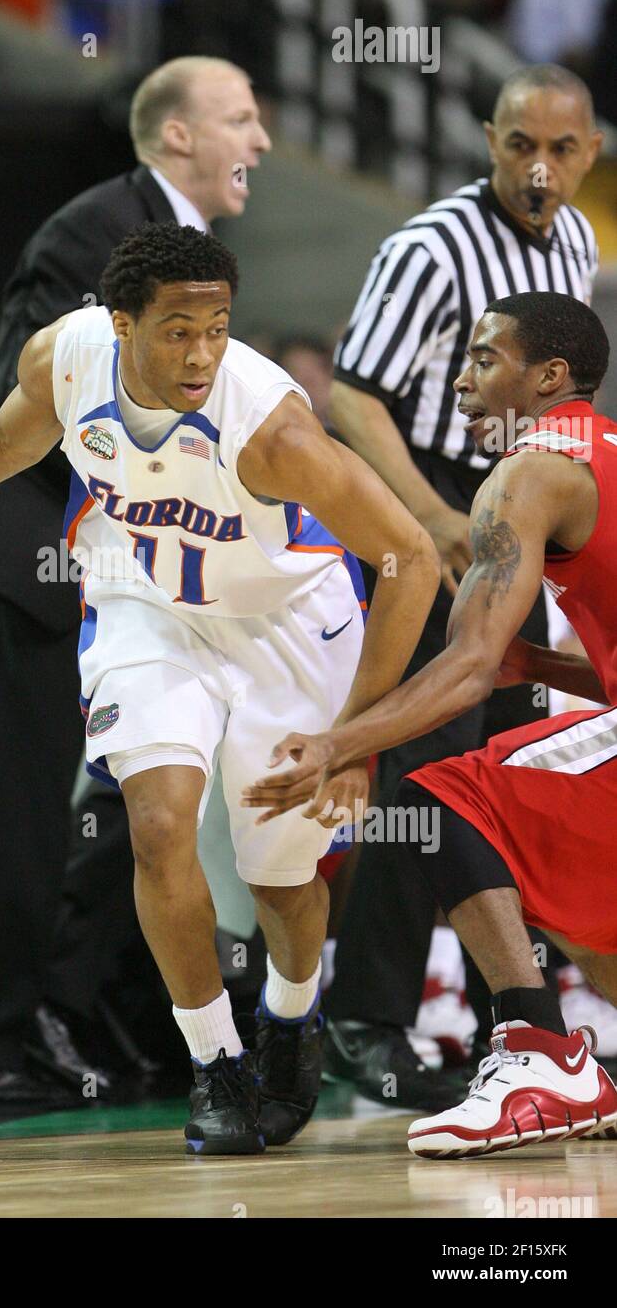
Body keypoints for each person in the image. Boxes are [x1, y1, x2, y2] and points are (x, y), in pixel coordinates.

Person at [0, 223, 440, 1154]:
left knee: (277, 880)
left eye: (217, 326)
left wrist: (356, 740)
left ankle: (293, 1019)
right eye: (177, 330)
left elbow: (409, 557)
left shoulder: (272, 427)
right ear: (120, 323)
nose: (202, 351)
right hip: (147, 606)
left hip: (284, 626)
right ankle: (215, 1065)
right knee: (159, 824)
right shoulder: (66, 356)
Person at [0, 56, 271, 1103]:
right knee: (26, 807)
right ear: (176, 137)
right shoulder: (92, 230)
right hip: (32, 552)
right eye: (241, 119)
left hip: (120, 567)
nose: (258, 142)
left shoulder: (175, 244)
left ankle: (48, 1007)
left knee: (136, 802)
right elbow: (33, 409)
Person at [248, 292, 617, 1158]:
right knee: (563, 881)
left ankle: (539, 1055)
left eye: (485, 360)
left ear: (550, 376)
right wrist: (551, 666)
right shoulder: (604, 451)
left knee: (440, 796)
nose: (459, 383)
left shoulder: (529, 470)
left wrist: (338, 744)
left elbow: (467, 669)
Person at [325, 63, 602, 1109]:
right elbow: (351, 394)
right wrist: (427, 516)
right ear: (487, 137)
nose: (538, 167)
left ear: (589, 153)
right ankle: (366, 1015)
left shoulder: (573, 241)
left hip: (514, 490)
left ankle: (524, 1016)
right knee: (434, 757)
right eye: (518, 143)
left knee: (507, 737)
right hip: (430, 496)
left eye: (562, 149)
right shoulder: (428, 246)